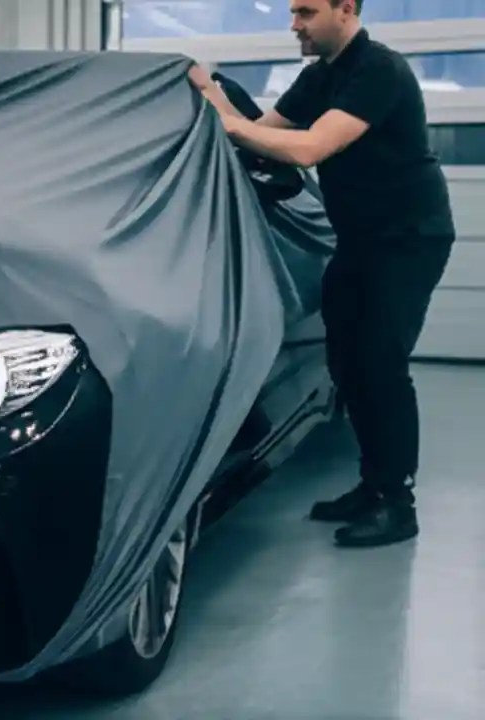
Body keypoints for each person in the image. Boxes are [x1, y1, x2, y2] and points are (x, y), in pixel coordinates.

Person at [189, 0, 456, 548]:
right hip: (360, 239)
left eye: (307, 12)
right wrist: (202, 87)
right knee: (347, 362)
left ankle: (396, 503)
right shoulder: (320, 78)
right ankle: (372, 485)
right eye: (292, 12)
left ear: (346, 9)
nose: (294, 25)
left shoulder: (378, 70)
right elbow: (261, 131)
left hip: (408, 239)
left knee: (380, 364)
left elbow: (307, 148)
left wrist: (229, 124)